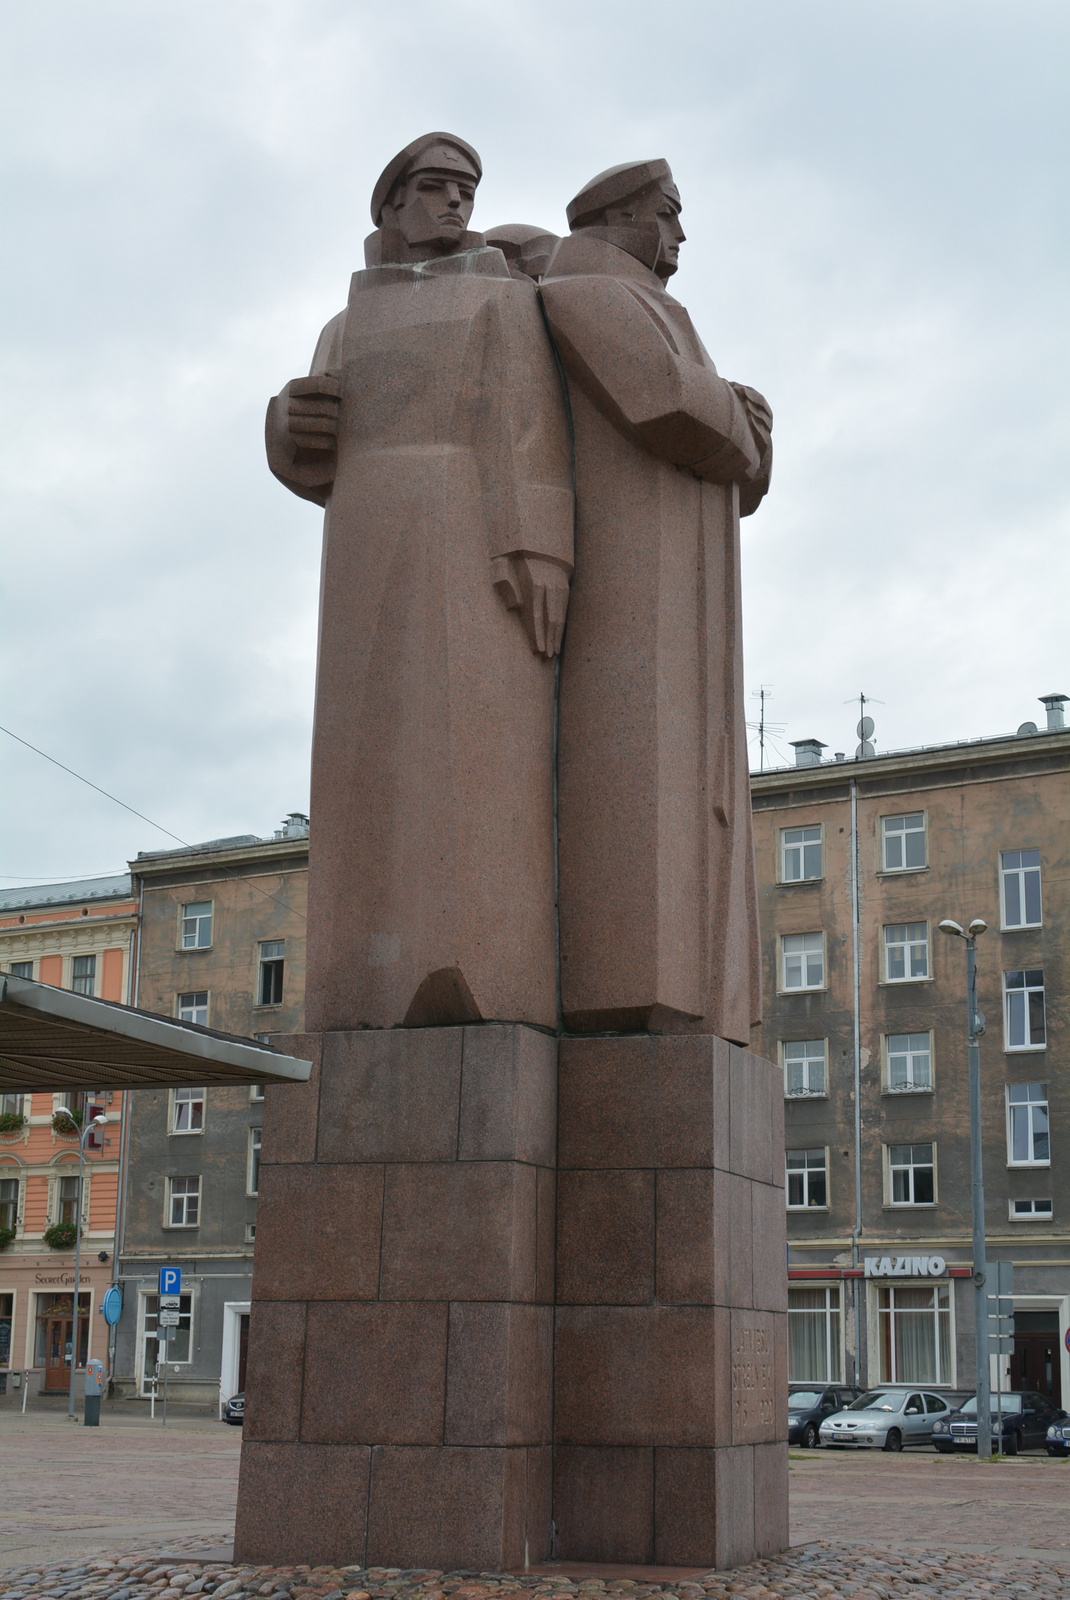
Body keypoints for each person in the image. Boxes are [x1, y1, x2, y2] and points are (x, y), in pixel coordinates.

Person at [266, 134, 574, 1031]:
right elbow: (307, 447)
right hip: (362, 525)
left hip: (463, 521)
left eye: (466, 191)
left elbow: (526, 427)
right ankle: (364, 972)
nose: (456, 205)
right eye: (437, 189)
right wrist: (289, 424)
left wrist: (538, 544)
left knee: (469, 734)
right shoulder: (344, 322)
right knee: (364, 737)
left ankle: (466, 960)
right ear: (393, 204)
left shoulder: (500, 299)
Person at [540, 159, 772, 1043]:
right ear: (618, 217)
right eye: (668, 215)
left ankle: (694, 996)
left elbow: (739, 464)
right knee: (647, 785)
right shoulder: (588, 290)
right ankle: (646, 985)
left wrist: (747, 431)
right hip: (632, 579)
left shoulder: (655, 306)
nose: (680, 234)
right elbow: (665, 402)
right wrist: (741, 417)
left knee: (693, 790)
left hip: (684, 587)